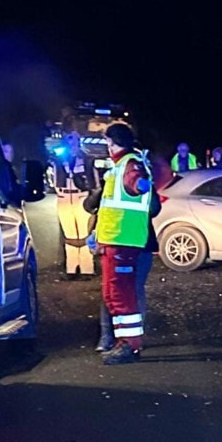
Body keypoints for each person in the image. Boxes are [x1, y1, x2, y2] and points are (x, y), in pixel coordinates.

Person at [82, 123, 153, 363]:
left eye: (109, 143)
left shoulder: (130, 164)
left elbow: (138, 183)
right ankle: (124, 343)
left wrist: (141, 183)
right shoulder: (120, 166)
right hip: (115, 241)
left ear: (114, 142)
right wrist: (98, 237)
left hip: (124, 242)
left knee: (121, 295)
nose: (108, 147)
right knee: (113, 295)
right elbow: (108, 208)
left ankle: (130, 346)